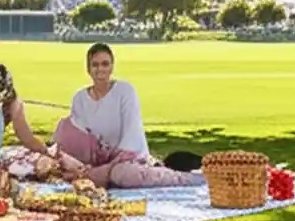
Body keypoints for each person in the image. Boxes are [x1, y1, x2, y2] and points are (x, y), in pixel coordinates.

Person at [55, 43, 203, 188]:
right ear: (88, 69)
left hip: (128, 161)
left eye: (105, 64)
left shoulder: (125, 91)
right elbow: (81, 138)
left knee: (122, 175)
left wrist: (108, 167)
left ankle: (190, 179)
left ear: (112, 66)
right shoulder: (80, 99)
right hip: (96, 165)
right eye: (95, 65)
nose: (100, 69)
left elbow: (132, 135)